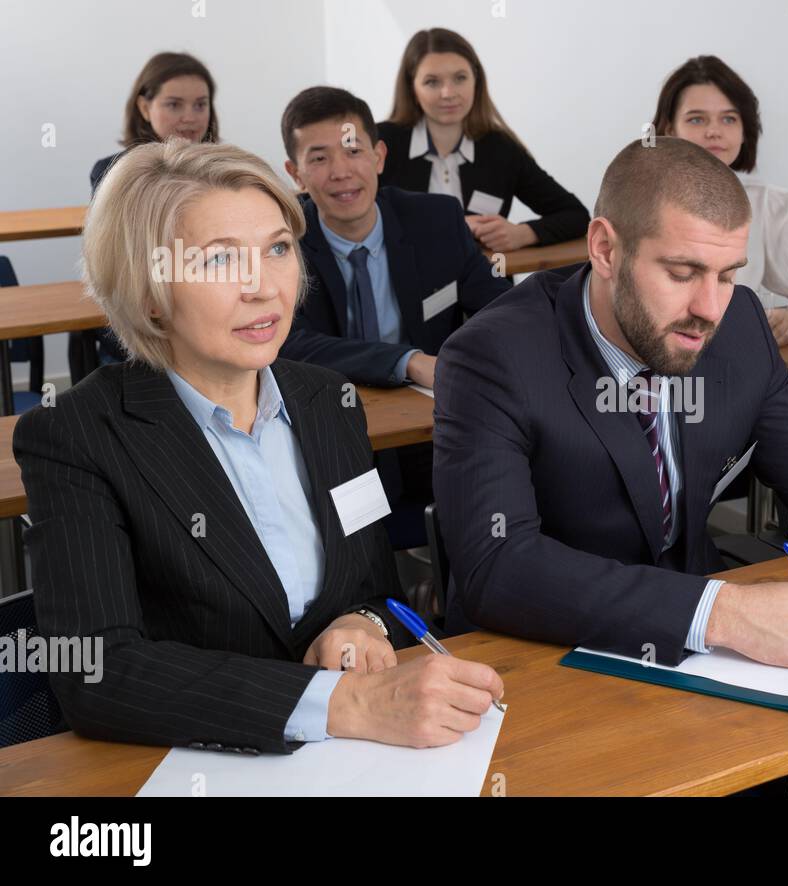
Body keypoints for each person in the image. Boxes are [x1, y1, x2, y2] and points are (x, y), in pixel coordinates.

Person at [432, 136, 788, 795]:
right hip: (549, 667)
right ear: (606, 249)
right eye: (682, 272)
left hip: (707, 670)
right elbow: (499, 568)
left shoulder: (738, 324)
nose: (710, 307)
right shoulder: (491, 357)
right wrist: (725, 613)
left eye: (728, 275)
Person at [15, 139, 503, 752]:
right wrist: (337, 703)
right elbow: (100, 670)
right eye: (220, 261)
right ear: (148, 292)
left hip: (353, 764)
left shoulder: (332, 402)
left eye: (277, 249)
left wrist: (362, 623)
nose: (264, 287)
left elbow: (376, 586)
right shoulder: (78, 434)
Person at [278, 86, 511, 548]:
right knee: (361, 538)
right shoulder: (285, 242)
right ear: (296, 173)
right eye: (319, 159)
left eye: (353, 150)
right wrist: (407, 360)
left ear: (379, 156)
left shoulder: (436, 220)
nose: (342, 172)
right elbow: (289, 341)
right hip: (333, 435)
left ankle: (451, 590)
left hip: (432, 427)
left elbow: (499, 309)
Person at [652, 55, 788, 348]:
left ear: (744, 130)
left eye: (729, 118)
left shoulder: (765, 205)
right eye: (697, 119)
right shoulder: (636, 198)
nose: (714, 131)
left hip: (735, 366)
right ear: (670, 129)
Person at [377, 27, 589, 252]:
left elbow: (576, 215)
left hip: (485, 284)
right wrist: (455, 225)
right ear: (412, 88)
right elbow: (355, 221)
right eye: (432, 82)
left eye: (460, 78)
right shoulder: (381, 144)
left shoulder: (501, 148)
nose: (448, 93)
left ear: (476, 81)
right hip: (406, 286)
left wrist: (523, 233)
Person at [76, 51, 222, 377]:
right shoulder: (112, 173)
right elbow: (128, 266)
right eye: (174, 104)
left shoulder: (223, 170)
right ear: (144, 107)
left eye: (201, 104)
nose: (190, 117)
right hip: (146, 322)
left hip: (213, 312)